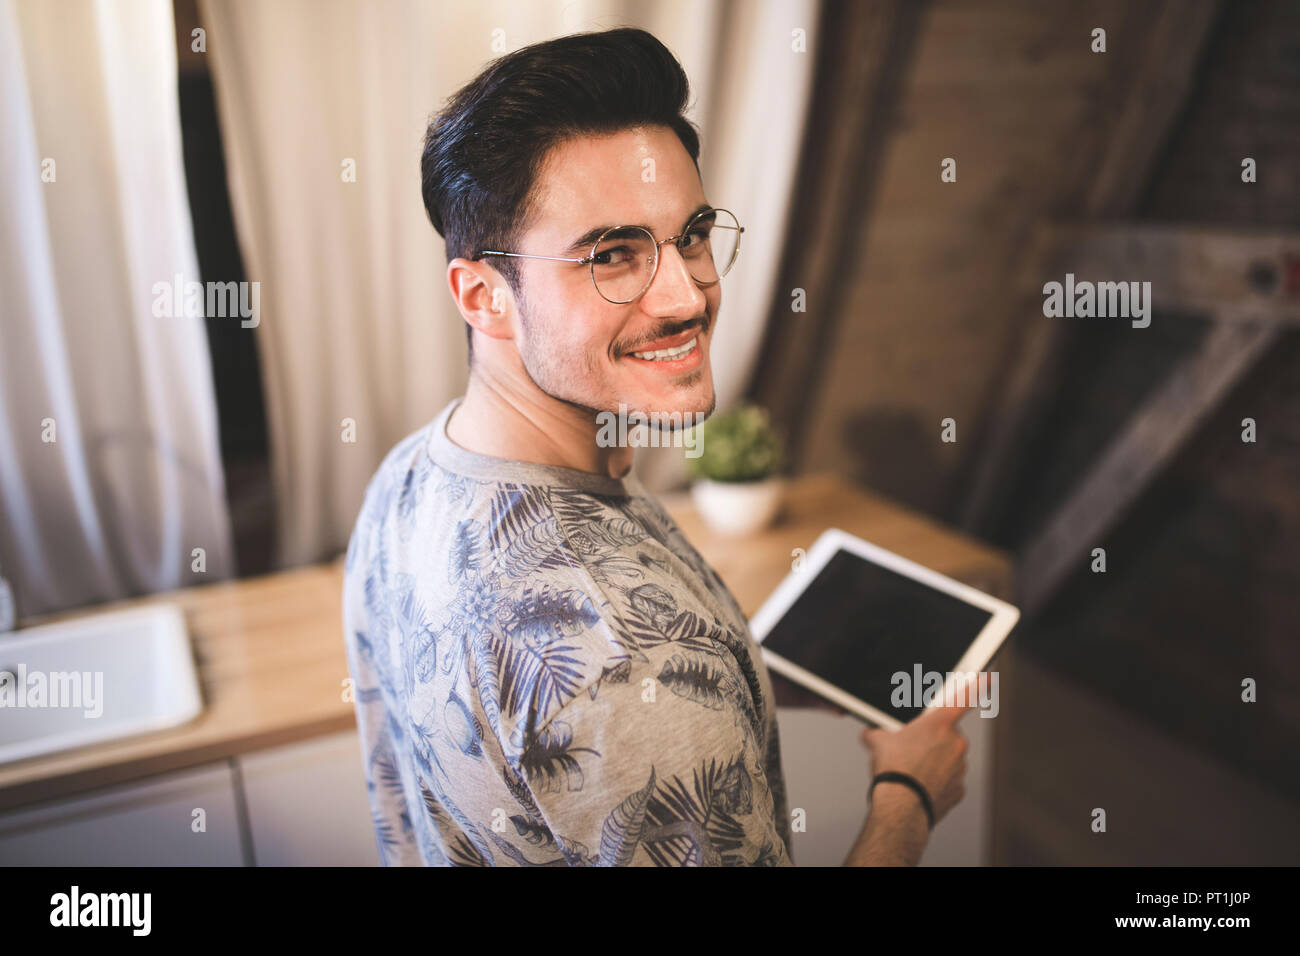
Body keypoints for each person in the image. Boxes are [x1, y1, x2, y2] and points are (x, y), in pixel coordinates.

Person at [341, 26, 970, 867]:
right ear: (485, 297)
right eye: (612, 255)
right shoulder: (626, 671)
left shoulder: (413, 472)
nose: (688, 295)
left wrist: (733, 672)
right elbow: (616, 689)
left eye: (694, 234)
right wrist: (910, 794)